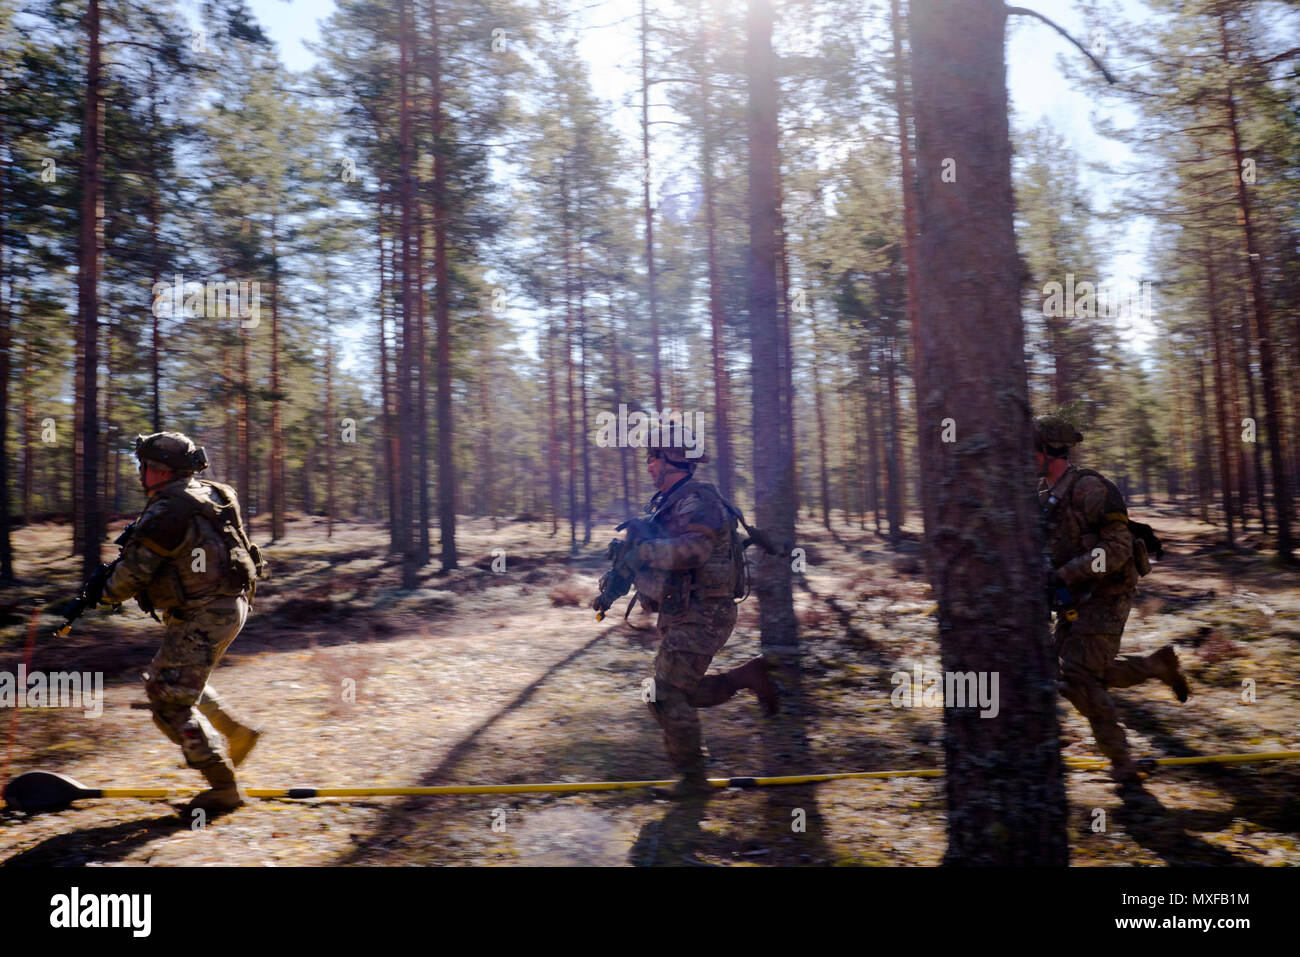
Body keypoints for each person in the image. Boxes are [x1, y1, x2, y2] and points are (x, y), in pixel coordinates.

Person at [102, 431, 264, 815]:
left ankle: (223, 786)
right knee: (181, 681)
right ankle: (237, 733)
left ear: (161, 470)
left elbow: (130, 577)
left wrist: (102, 593)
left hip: (205, 614)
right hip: (231, 606)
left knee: (168, 702)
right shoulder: (211, 493)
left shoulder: (168, 510)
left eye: (145, 467)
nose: (141, 474)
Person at [617, 433, 779, 799]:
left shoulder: (698, 499)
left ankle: (693, 782)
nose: (649, 465)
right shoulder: (667, 502)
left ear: (672, 460)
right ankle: (749, 676)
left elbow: (692, 552)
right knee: (674, 693)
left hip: (707, 610)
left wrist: (644, 552)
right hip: (684, 610)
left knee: (663, 693)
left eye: (654, 458)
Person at [1036, 415, 1188, 786]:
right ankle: (1155, 665)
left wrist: (1064, 575)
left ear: (1049, 450)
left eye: (1030, 450)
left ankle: (1123, 762)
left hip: (1109, 592)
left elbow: (1117, 549)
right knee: (1067, 672)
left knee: (1078, 677)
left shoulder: (1091, 488)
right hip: (1076, 596)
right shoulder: (1043, 496)